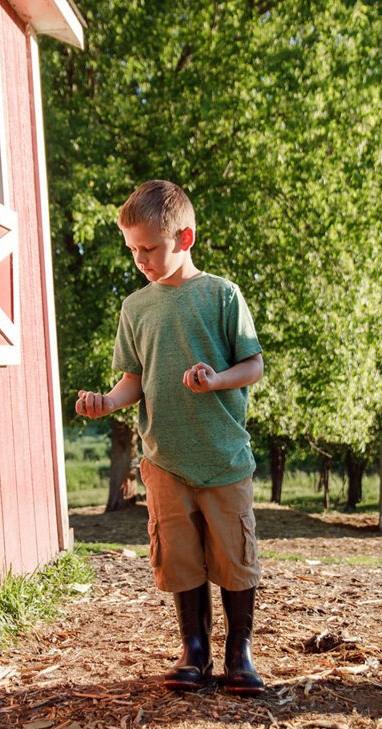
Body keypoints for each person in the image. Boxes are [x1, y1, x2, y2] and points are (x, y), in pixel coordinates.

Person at [74, 180, 267, 694]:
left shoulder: (223, 295)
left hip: (223, 455)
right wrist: (109, 402)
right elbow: (134, 377)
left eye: (149, 249)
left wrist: (218, 379)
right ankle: (194, 650)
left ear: (184, 239)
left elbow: (253, 364)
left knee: (234, 557)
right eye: (133, 249)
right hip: (164, 458)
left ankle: (239, 653)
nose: (140, 259)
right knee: (178, 556)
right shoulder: (136, 307)